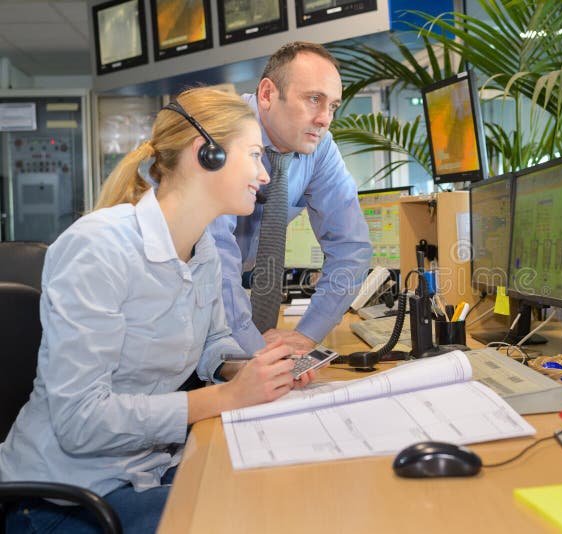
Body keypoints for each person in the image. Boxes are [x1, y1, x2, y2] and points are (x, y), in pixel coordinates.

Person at [0, 87, 315, 534]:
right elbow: (79, 420)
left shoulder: (202, 248)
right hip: (66, 497)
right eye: (254, 156)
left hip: (146, 470)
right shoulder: (97, 248)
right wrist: (225, 398)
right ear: (206, 153)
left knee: (274, 494)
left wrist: (251, 370)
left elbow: (213, 342)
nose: (264, 175)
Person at [209, 41, 372, 356]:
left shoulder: (320, 148)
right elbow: (216, 257)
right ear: (267, 94)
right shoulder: (220, 133)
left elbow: (351, 246)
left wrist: (307, 335)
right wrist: (257, 352)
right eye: (314, 99)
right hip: (176, 303)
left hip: (228, 306)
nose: (325, 119)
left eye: (333, 106)